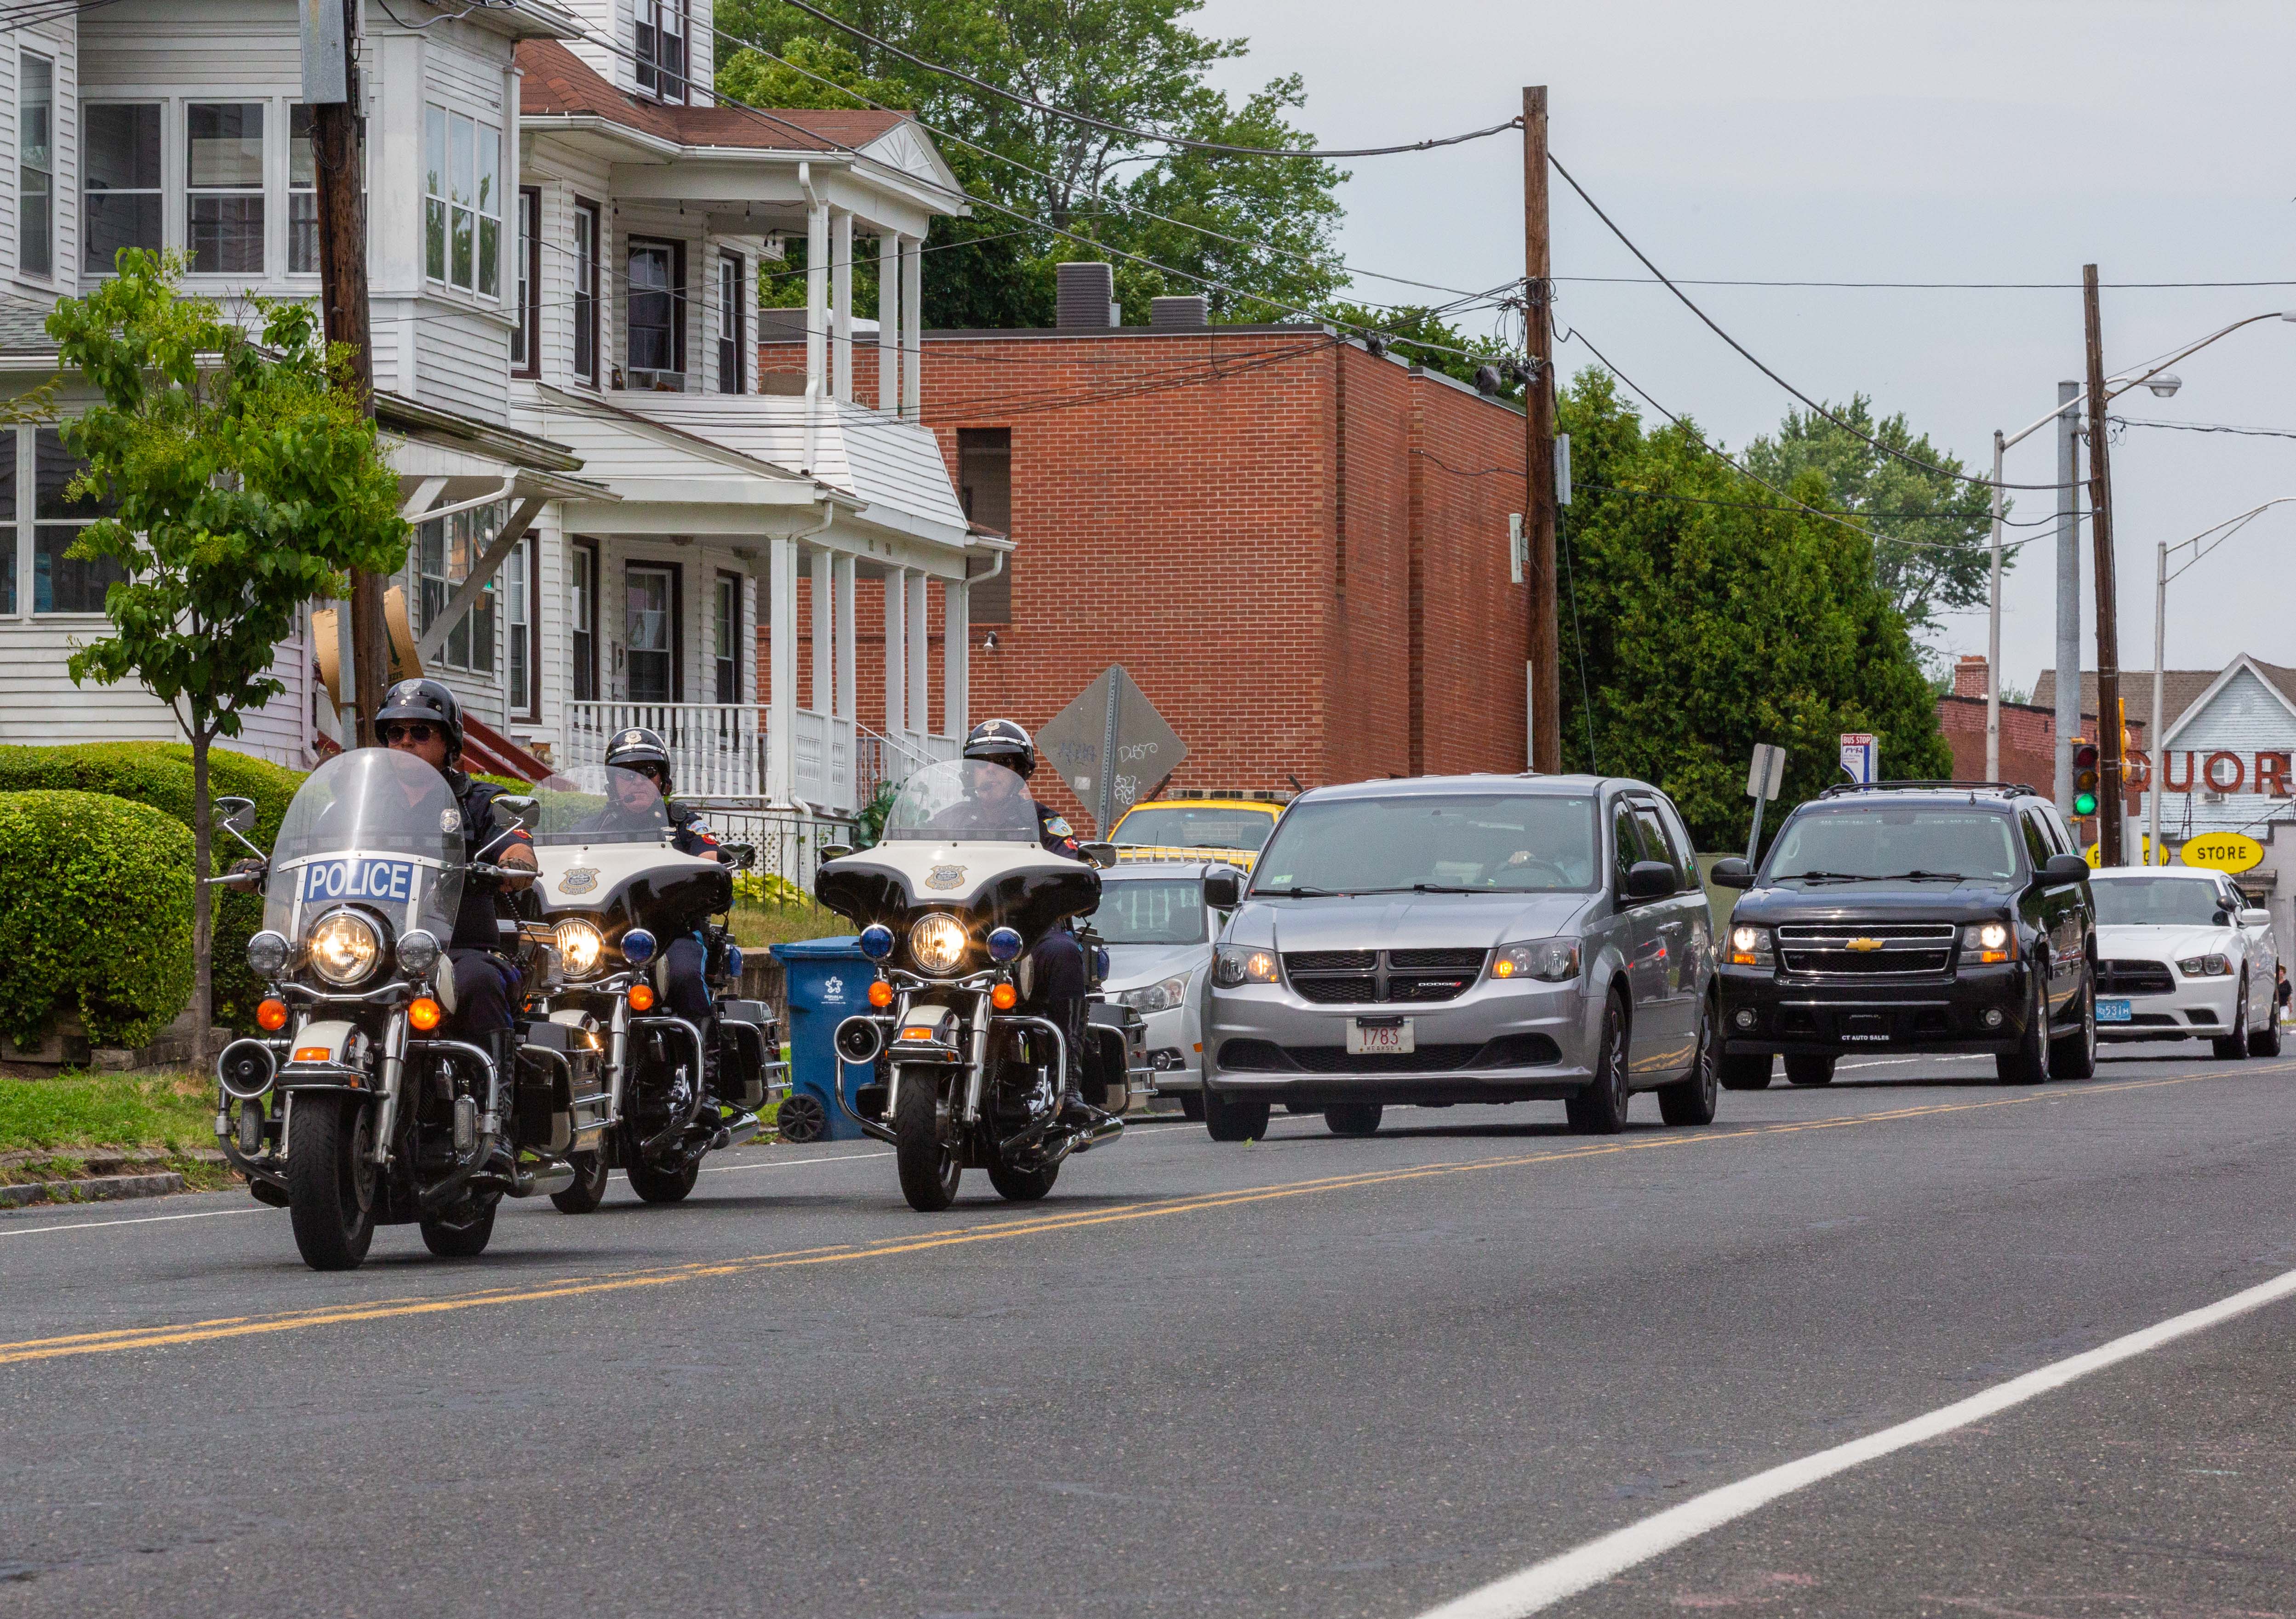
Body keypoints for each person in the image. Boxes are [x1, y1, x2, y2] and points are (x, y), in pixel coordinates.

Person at [371, 681, 538, 1095]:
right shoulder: (364, 802)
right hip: (377, 948)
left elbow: (516, 843)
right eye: (395, 732)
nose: (405, 742)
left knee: (479, 983)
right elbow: (319, 846)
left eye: (420, 732)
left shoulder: (480, 801)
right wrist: (267, 867)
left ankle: (493, 1105)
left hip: (459, 947)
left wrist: (516, 863)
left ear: (449, 742)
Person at [945, 719, 1097, 1123]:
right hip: (963, 935)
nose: (990, 772)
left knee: (1065, 953)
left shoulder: (1044, 823)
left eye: (1002, 764)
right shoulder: (949, 822)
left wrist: (1076, 879)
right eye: (981, 764)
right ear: (969, 773)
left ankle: (1068, 1084)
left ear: (1021, 773)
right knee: (896, 957)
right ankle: (890, 1066)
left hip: (1029, 935)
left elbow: (1071, 866)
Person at [580, 727, 734, 1033]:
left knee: (684, 976)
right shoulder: (593, 828)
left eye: (647, 772)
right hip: (607, 936)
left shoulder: (684, 825)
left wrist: (710, 871)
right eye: (625, 774)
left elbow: (710, 862)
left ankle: (703, 1055)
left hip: (674, 933)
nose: (636, 781)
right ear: (613, 784)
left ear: (663, 781)